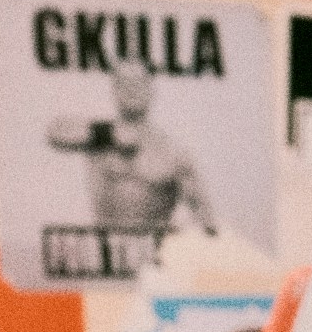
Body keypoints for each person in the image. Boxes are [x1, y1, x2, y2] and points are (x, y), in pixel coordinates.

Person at [47, 61, 218, 269]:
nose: (131, 89)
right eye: (124, 83)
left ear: (151, 91)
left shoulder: (172, 152)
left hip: (155, 261)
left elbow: (205, 217)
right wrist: (111, 136)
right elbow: (56, 133)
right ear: (114, 90)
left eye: (138, 83)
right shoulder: (97, 140)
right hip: (107, 259)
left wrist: (186, 252)